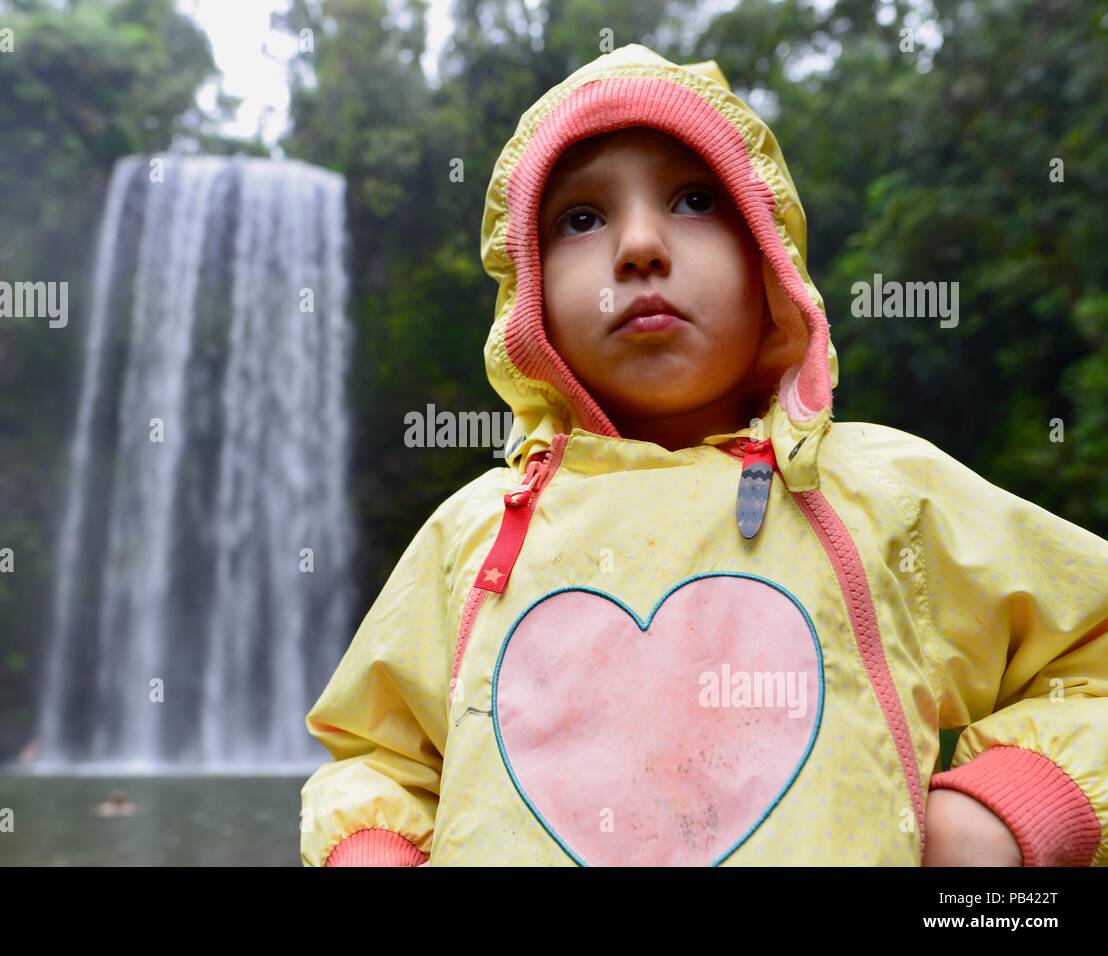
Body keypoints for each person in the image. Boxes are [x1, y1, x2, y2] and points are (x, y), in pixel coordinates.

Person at [299, 43, 1108, 866]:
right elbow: (385, 759)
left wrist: (1012, 807)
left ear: (769, 262)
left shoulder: (882, 497)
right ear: (529, 297)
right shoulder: (470, 535)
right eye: (581, 218)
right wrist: (371, 849)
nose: (640, 247)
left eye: (694, 199)